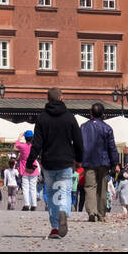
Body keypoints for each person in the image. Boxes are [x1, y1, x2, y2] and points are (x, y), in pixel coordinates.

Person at [25, 87, 85, 239]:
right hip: (66, 162)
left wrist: (30, 161)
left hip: (48, 162)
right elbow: (78, 141)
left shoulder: (42, 118)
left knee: (51, 193)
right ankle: (63, 211)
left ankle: (55, 227)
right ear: (61, 98)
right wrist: (79, 160)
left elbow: (37, 144)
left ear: (48, 99)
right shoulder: (70, 118)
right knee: (64, 191)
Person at [80, 102, 119, 223]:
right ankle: (101, 214)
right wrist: (115, 162)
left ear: (90, 113)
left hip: (88, 160)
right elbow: (112, 147)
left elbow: (79, 145)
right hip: (103, 161)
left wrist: (77, 159)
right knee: (102, 188)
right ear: (103, 114)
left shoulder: (83, 127)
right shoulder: (107, 128)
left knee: (90, 187)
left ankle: (92, 212)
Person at [14, 130, 40, 211]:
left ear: (25, 138)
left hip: (25, 169)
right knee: (33, 187)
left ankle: (26, 204)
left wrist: (19, 136)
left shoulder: (22, 146)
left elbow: (16, 145)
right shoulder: (35, 146)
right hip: (33, 168)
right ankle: (34, 205)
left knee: (25, 187)